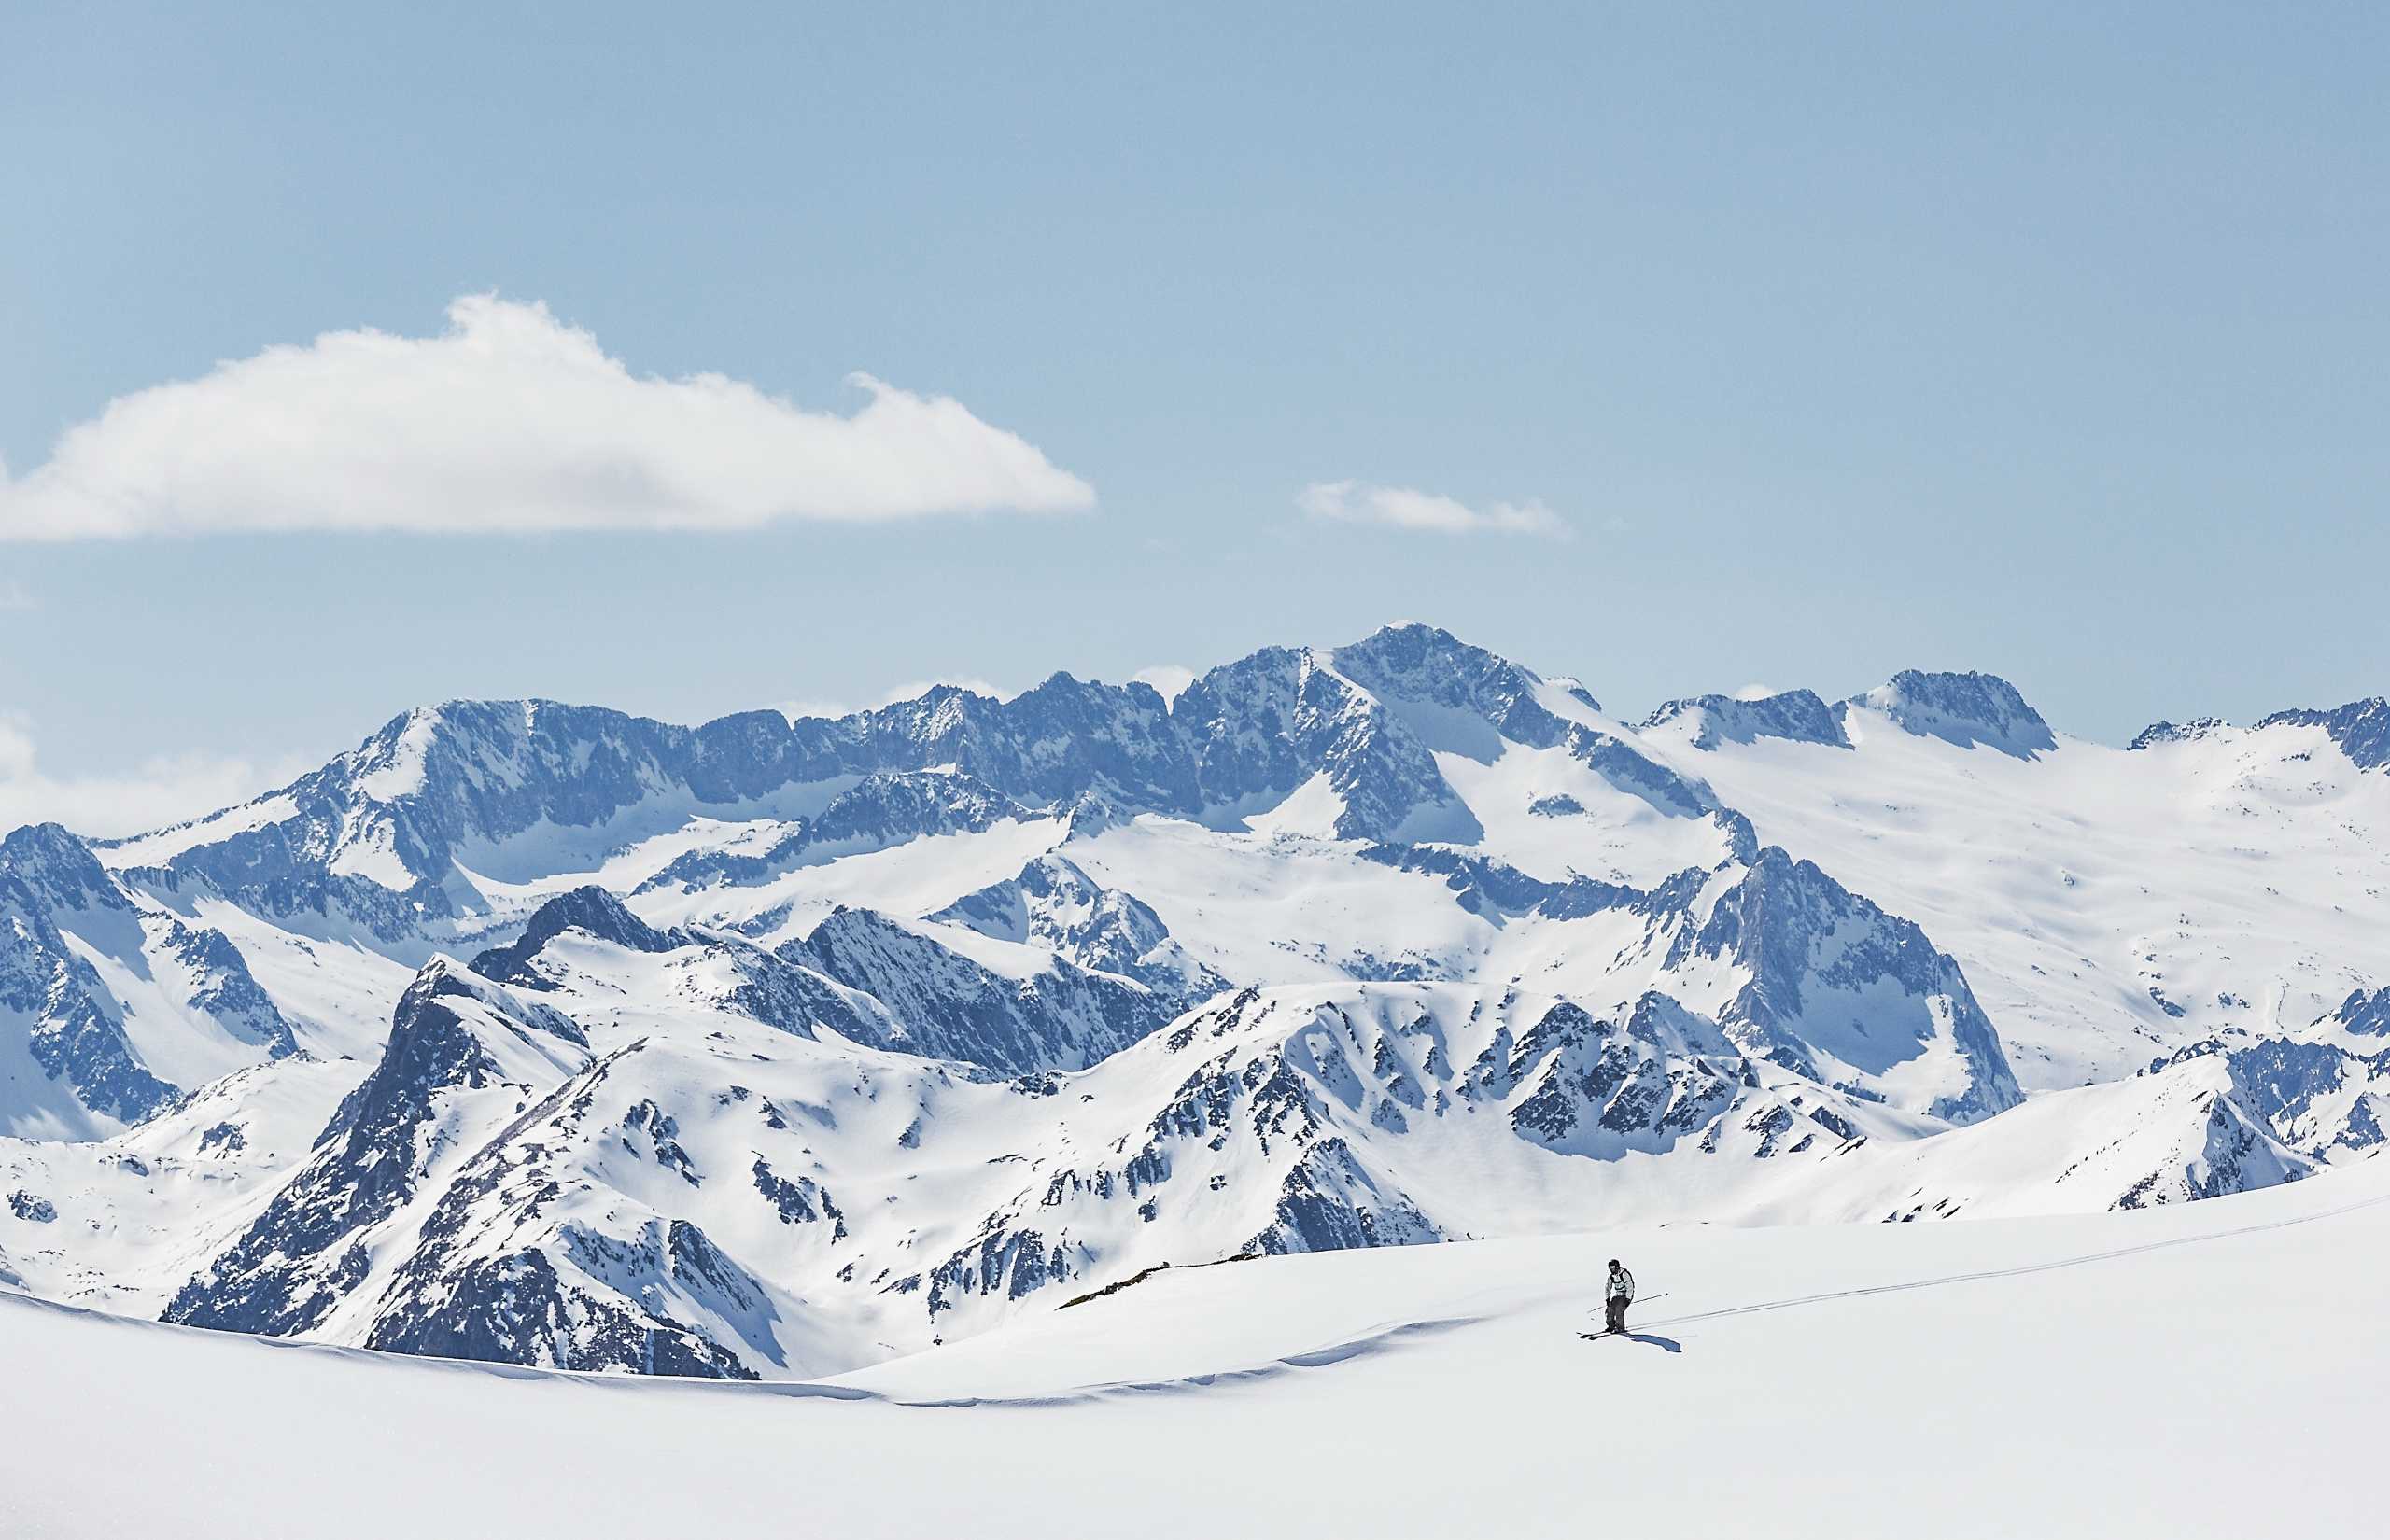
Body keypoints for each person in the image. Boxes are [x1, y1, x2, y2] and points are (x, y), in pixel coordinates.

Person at [1603, 1258, 1635, 1335]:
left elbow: (1630, 1287)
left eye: (1613, 1268)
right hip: (1618, 1294)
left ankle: (1620, 1328)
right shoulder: (1611, 1277)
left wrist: (1628, 1298)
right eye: (1610, 1268)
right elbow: (1607, 1288)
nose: (1611, 1270)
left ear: (1617, 1267)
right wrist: (1607, 1299)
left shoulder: (1624, 1274)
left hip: (1625, 1295)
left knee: (1618, 1309)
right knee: (1609, 1309)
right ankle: (1611, 1326)